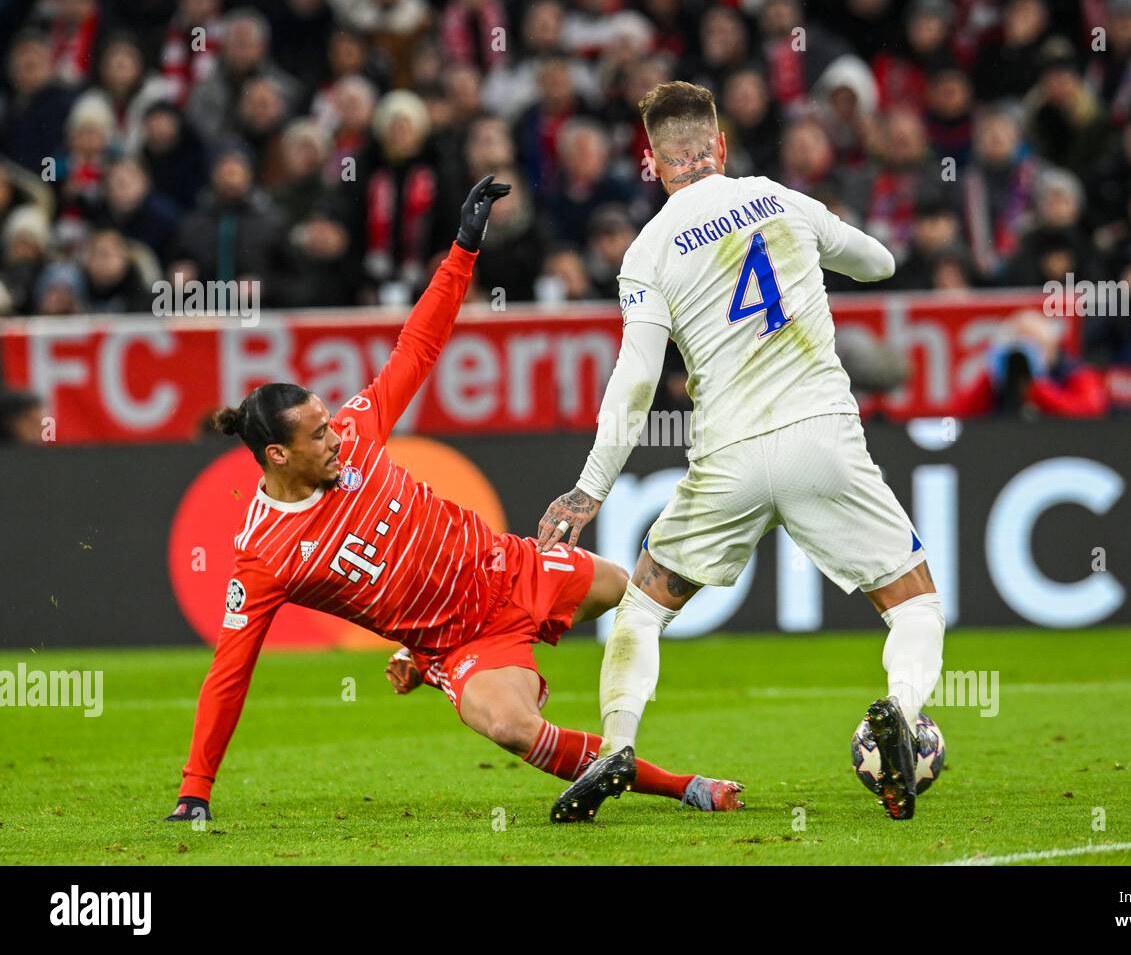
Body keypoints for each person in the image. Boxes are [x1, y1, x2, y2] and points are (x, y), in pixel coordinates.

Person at [164, 176, 742, 825]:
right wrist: (195, 790)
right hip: (463, 644)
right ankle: (680, 784)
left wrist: (463, 248)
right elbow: (229, 672)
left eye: (330, 421)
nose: (336, 436)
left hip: (511, 570)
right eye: (318, 433)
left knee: (635, 594)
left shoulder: (356, 433)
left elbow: (419, 344)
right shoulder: (265, 555)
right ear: (278, 456)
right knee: (507, 725)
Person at [536, 82, 945, 823]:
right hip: (822, 438)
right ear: (719, 148)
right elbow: (881, 263)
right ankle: (900, 712)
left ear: (654, 165)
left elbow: (633, 385)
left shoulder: (647, 251)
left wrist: (588, 492)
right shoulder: (780, 198)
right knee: (915, 605)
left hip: (727, 457)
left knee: (640, 611)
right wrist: (818, 246)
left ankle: (616, 746)